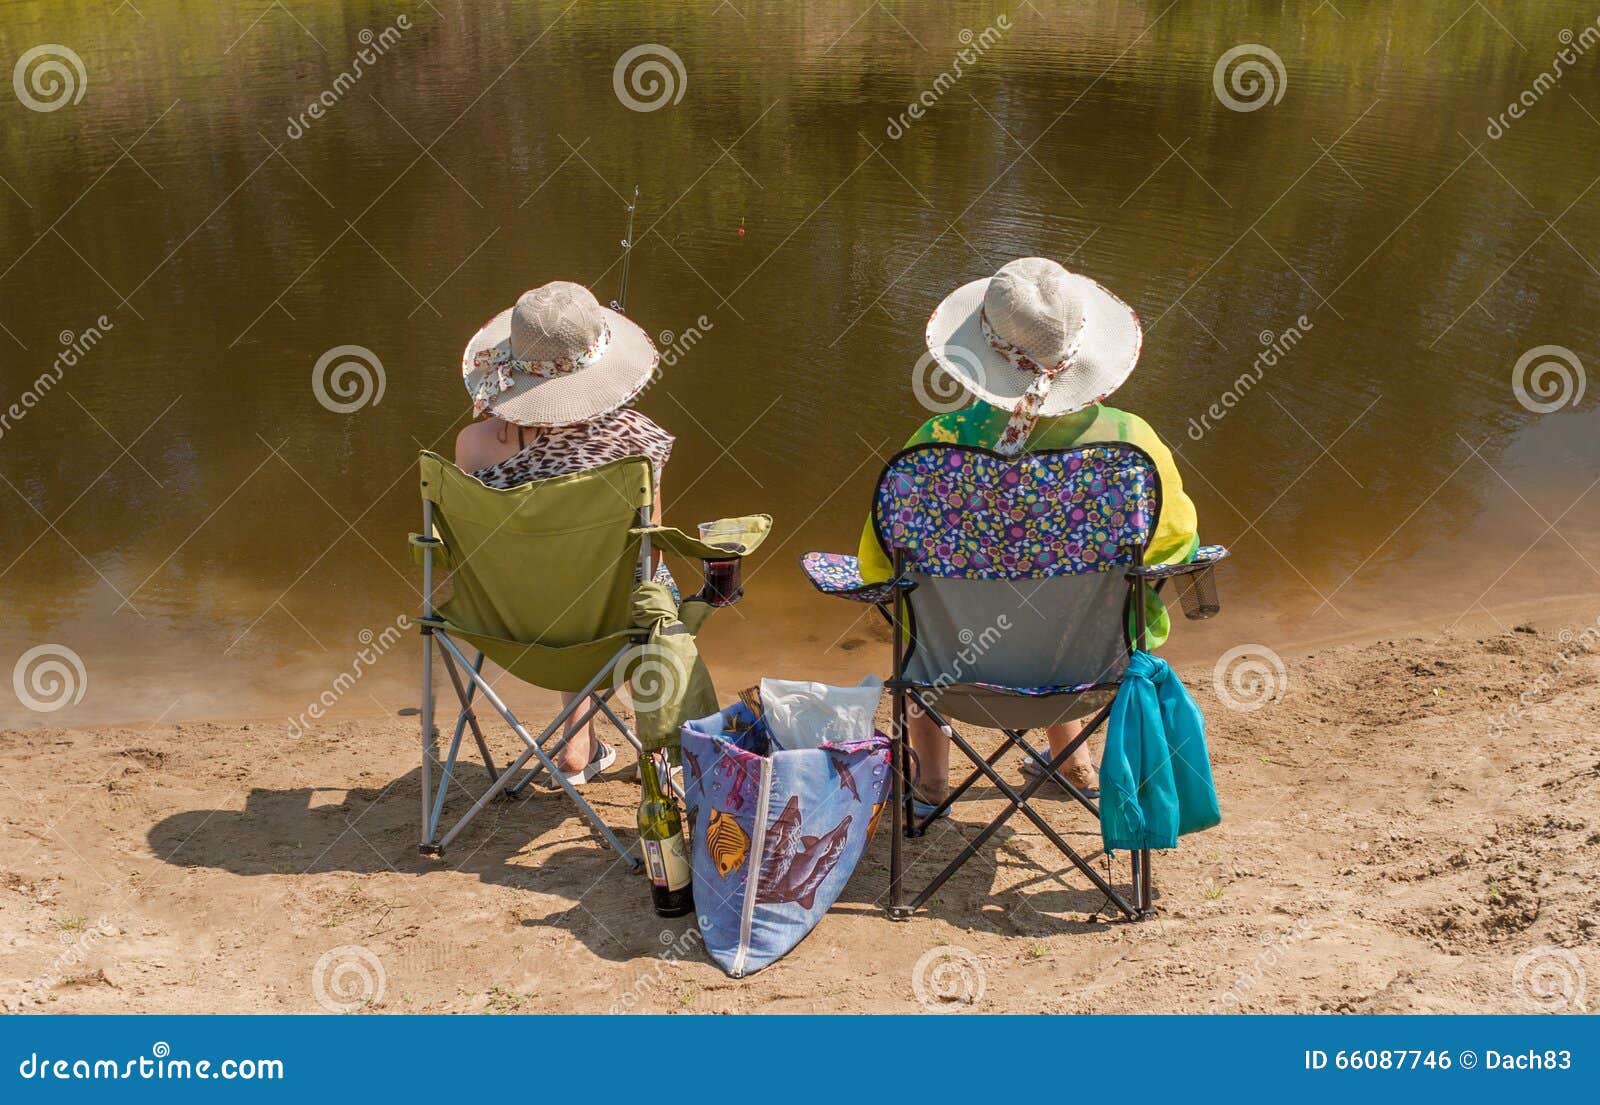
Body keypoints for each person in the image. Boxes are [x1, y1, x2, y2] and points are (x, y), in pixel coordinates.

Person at [855, 257, 1199, 814]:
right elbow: (1174, 547)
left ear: (982, 356)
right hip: (1090, 670)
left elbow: (880, 568)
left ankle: (930, 787)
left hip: (956, 675)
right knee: (1064, 604)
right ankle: (1074, 761)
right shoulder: (1131, 445)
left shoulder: (934, 443)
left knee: (920, 625)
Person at [455, 279, 671, 785]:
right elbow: (652, 556)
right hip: (607, 622)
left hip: (509, 622)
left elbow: (470, 553)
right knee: (651, 587)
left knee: (557, 579)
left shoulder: (474, 446)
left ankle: (579, 743)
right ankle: (657, 749)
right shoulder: (637, 445)